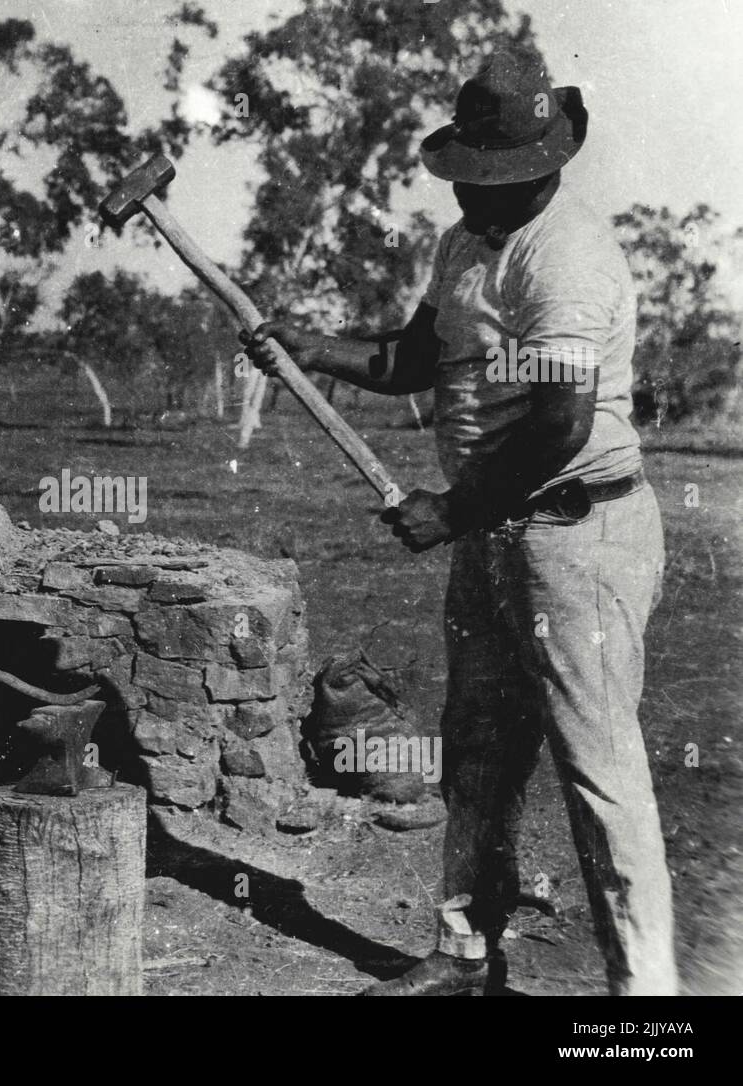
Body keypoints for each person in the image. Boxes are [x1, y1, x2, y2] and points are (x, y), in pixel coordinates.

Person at [245, 51, 675, 996]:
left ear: (544, 169)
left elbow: (561, 423)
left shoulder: (566, 255)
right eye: (468, 180)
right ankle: (463, 951)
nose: (477, 197)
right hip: (496, 537)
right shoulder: (465, 243)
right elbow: (411, 357)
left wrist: (452, 508)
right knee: (476, 745)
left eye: (496, 183)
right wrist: (310, 347)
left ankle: (648, 1006)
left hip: (577, 534)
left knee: (599, 770)